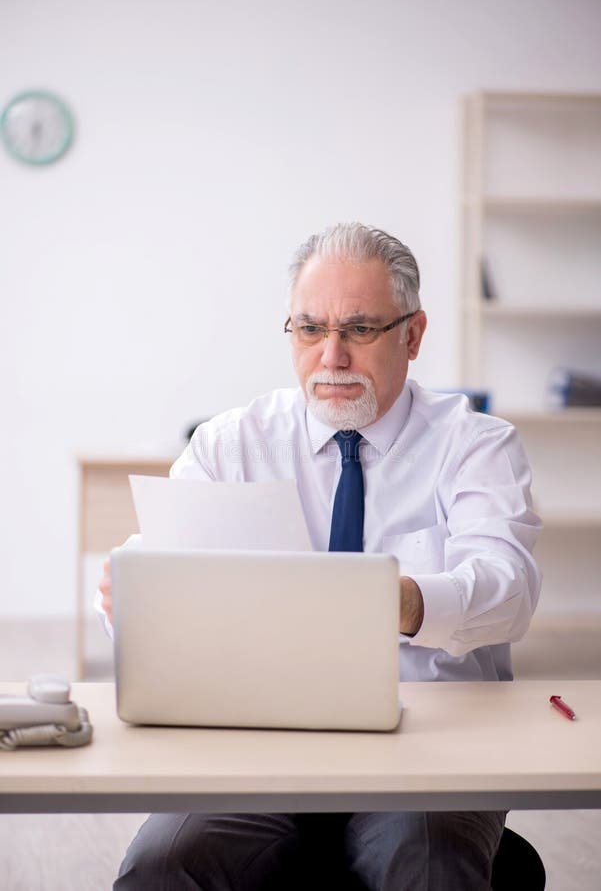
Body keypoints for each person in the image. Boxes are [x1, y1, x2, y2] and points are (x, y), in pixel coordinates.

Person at [98, 222, 542, 891]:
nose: (330, 356)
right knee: (163, 865)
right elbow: (152, 574)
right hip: (255, 745)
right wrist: (132, 599)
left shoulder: (474, 445)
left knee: (422, 866)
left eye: (358, 329)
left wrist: (402, 600)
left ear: (411, 335)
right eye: (308, 330)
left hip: (428, 746)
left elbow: (507, 590)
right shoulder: (230, 444)